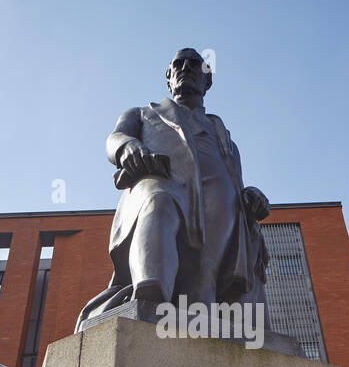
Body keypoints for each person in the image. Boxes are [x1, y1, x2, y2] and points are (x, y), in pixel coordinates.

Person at [77, 47, 271, 327]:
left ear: (208, 82)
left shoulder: (224, 137)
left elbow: (235, 180)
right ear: (168, 77)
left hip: (218, 202)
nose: (186, 68)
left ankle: (199, 323)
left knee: (204, 280)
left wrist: (250, 196)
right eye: (178, 64)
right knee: (159, 204)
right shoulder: (144, 114)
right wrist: (128, 148)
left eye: (195, 65)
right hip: (162, 183)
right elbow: (116, 137)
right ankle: (150, 293)